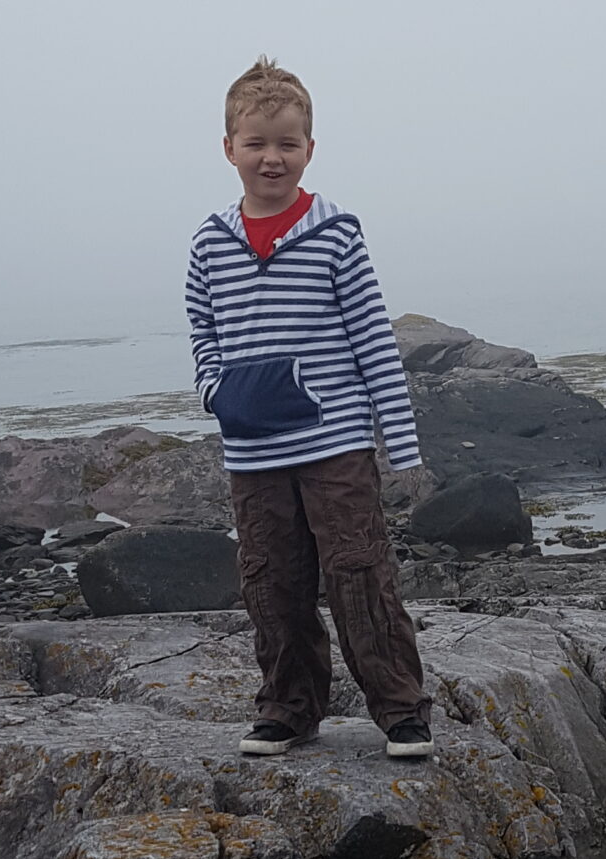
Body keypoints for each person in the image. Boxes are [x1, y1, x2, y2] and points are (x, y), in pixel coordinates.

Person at [186, 56, 434, 761]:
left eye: (287, 144)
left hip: (336, 446)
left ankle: (401, 709)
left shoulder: (336, 235)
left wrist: (403, 447)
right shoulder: (209, 243)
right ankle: (289, 710)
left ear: (310, 151)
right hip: (253, 450)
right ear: (229, 147)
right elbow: (202, 331)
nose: (272, 158)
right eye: (257, 143)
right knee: (271, 581)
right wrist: (213, 392)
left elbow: (375, 346)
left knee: (359, 573)